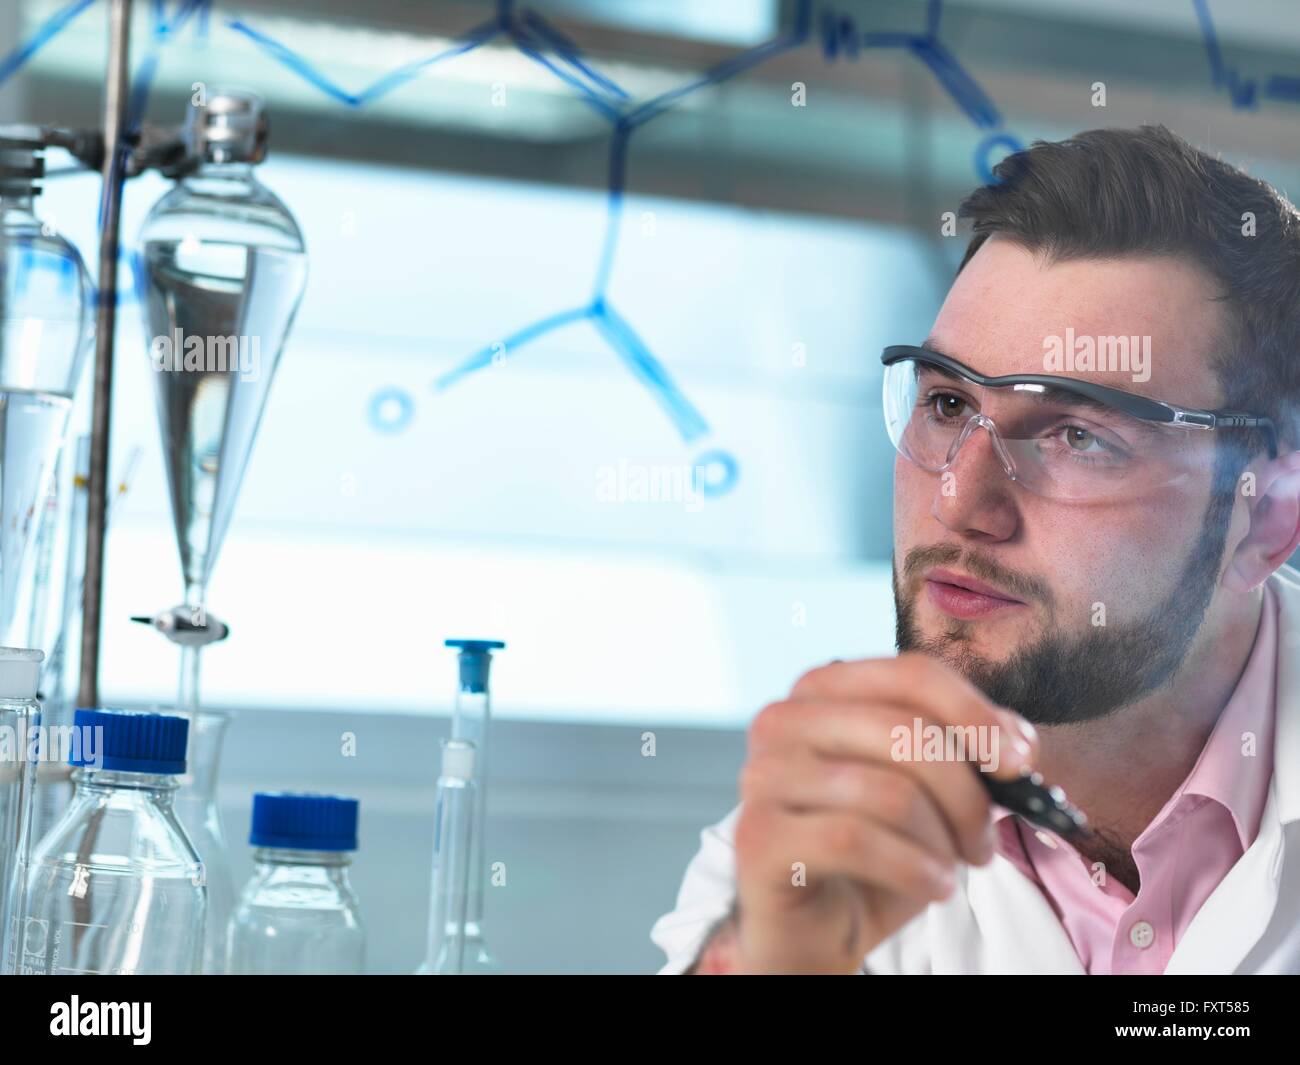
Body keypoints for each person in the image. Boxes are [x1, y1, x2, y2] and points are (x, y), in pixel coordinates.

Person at [651, 125, 1300, 974]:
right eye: (950, 405)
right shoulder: (838, 837)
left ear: (1266, 520)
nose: (960, 501)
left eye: (1076, 434)